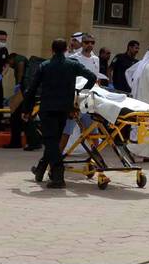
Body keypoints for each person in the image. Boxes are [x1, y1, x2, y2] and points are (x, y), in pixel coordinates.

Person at [20, 38, 97, 188]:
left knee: (50, 140)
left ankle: (58, 176)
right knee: (53, 141)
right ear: (65, 49)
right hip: (65, 109)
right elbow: (92, 77)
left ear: (52, 50)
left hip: (48, 108)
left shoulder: (45, 66)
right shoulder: (72, 65)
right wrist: (81, 93)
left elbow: (32, 89)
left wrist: (26, 110)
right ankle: (41, 170)